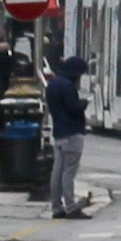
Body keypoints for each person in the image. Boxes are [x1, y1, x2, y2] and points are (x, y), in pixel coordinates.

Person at [40, 43, 89, 218]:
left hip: (58, 133)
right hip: (72, 133)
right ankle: (71, 206)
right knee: (69, 172)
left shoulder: (52, 84)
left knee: (57, 172)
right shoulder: (68, 86)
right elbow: (74, 107)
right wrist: (84, 103)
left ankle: (56, 207)